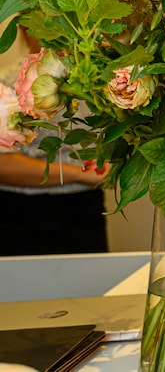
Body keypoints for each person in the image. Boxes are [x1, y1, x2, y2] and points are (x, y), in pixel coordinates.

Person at [0, 28, 108, 256]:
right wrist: (79, 174)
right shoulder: (5, 85)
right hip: (16, 210)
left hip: (84, 208)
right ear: (24, 28)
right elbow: (3, 165)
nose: (53, 33)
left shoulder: (92, 83)